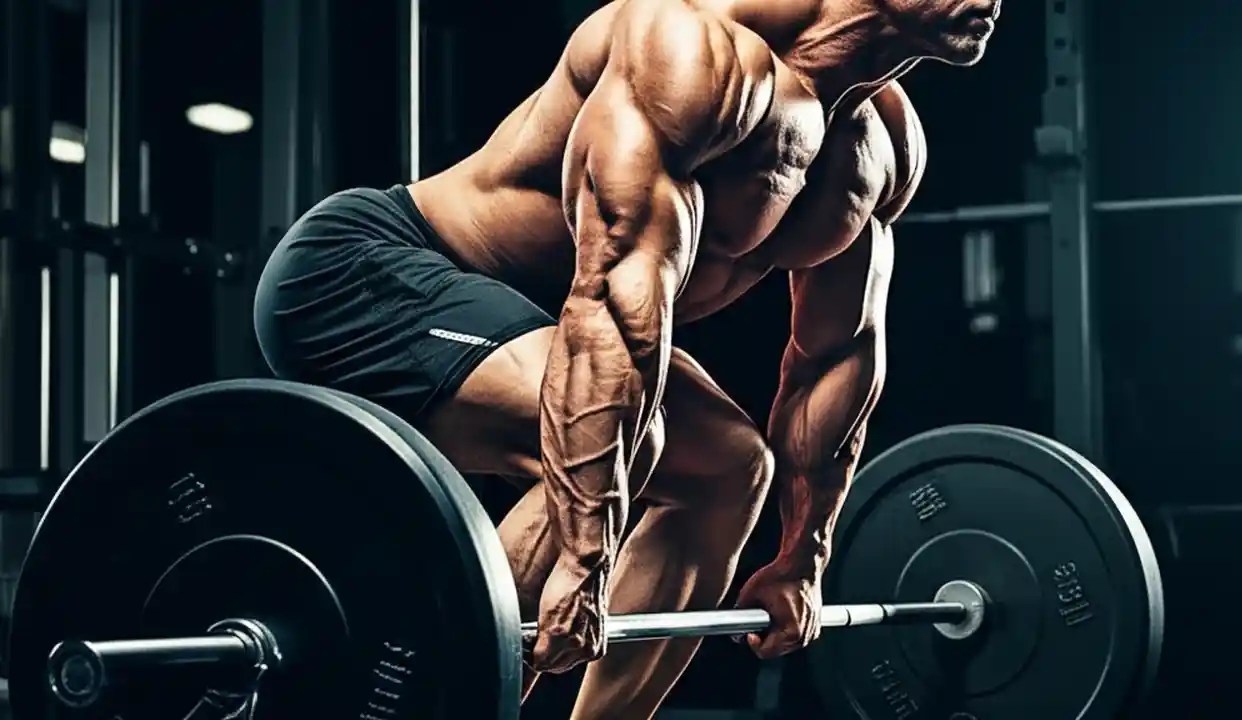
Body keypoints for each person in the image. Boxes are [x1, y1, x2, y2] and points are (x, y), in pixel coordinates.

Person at [253, 0, 1001, 716]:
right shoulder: (694, 55)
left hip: (548, 323)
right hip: (367, 274)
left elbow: (837, 359)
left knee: (731, 467)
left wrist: (802, 557)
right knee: (626, 436)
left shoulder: (881, 147)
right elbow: (614, 307)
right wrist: (584, 559)